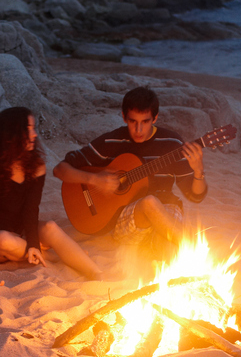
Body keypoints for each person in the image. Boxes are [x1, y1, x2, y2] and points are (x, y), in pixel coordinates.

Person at [52, 86, 207, 247]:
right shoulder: (111, 142)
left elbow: (195, 196)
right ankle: (195, 253)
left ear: (155, 118)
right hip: (129, 221)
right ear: (124, 117)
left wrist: (198, 171)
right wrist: (95, 179)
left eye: (145, 122)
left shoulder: (172, 143)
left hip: (167, 210)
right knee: (149, 202)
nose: (138, 130)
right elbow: (60, 170)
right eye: (133, 121)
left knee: (167, 246)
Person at [0, 106, 102, 279]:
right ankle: (54, 257)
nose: (34, 134)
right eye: (28, 130)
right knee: (3, 239)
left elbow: (31, 210)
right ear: (11, 135)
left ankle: (96, 272)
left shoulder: (36, 166)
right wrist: (25, 240)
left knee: (50, 227)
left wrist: (32, 241)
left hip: (21, 230)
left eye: (34, 129)